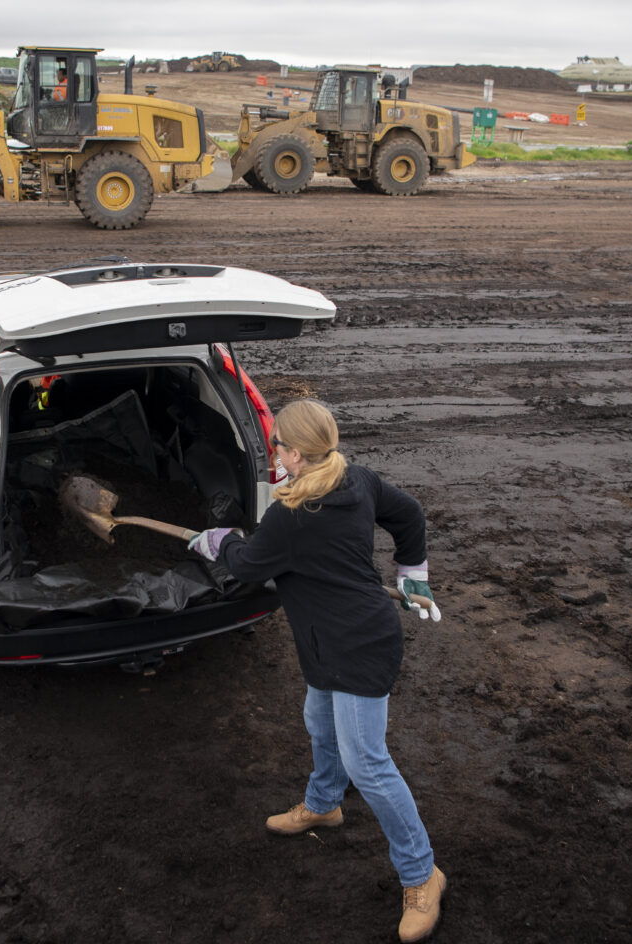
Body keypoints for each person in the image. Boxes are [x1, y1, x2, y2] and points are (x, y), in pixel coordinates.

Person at [187, 399, 446, 942]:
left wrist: (218, 540)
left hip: (357, 646)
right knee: (320, 722)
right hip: (326, 641)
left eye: (276, 443)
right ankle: (325, 804)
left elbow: (247, 566)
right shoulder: (357, 478)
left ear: (296, 454)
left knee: (369, 764)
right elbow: (409, 515)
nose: (272, 451)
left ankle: (423, 873)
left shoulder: (291, 517)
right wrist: (412, 570)